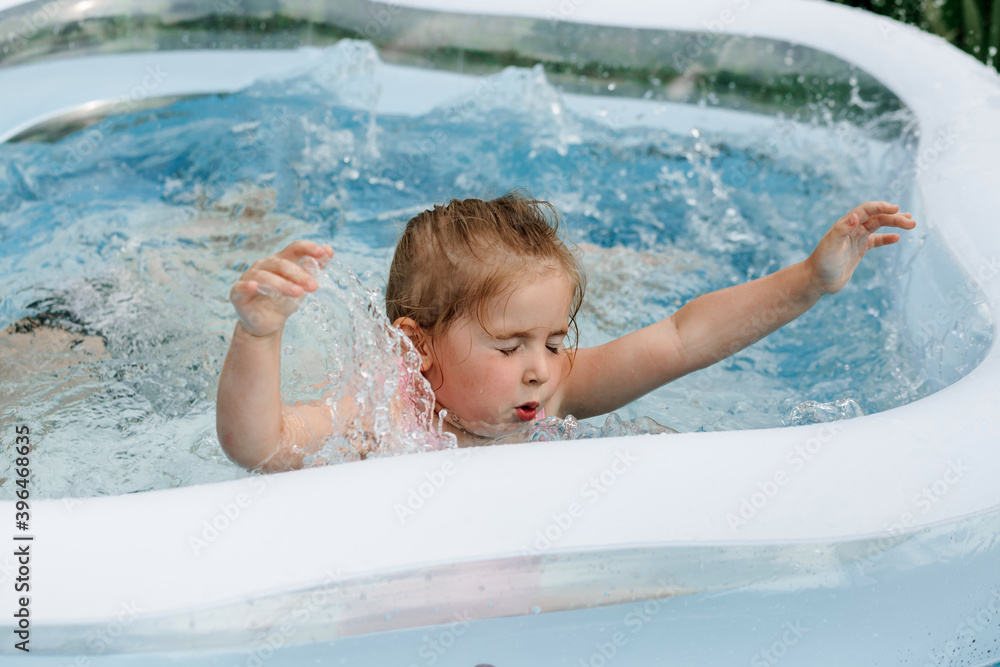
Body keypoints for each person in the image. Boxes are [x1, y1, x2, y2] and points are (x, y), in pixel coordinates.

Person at [216, 192, 915, 472]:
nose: (540, 367)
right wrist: (259, 336)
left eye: (553, 340)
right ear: (418, 346)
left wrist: (808, 282)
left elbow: (680, 337)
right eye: (511, 343)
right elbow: (261, 444)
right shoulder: (380, 414)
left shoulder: (550, 396)